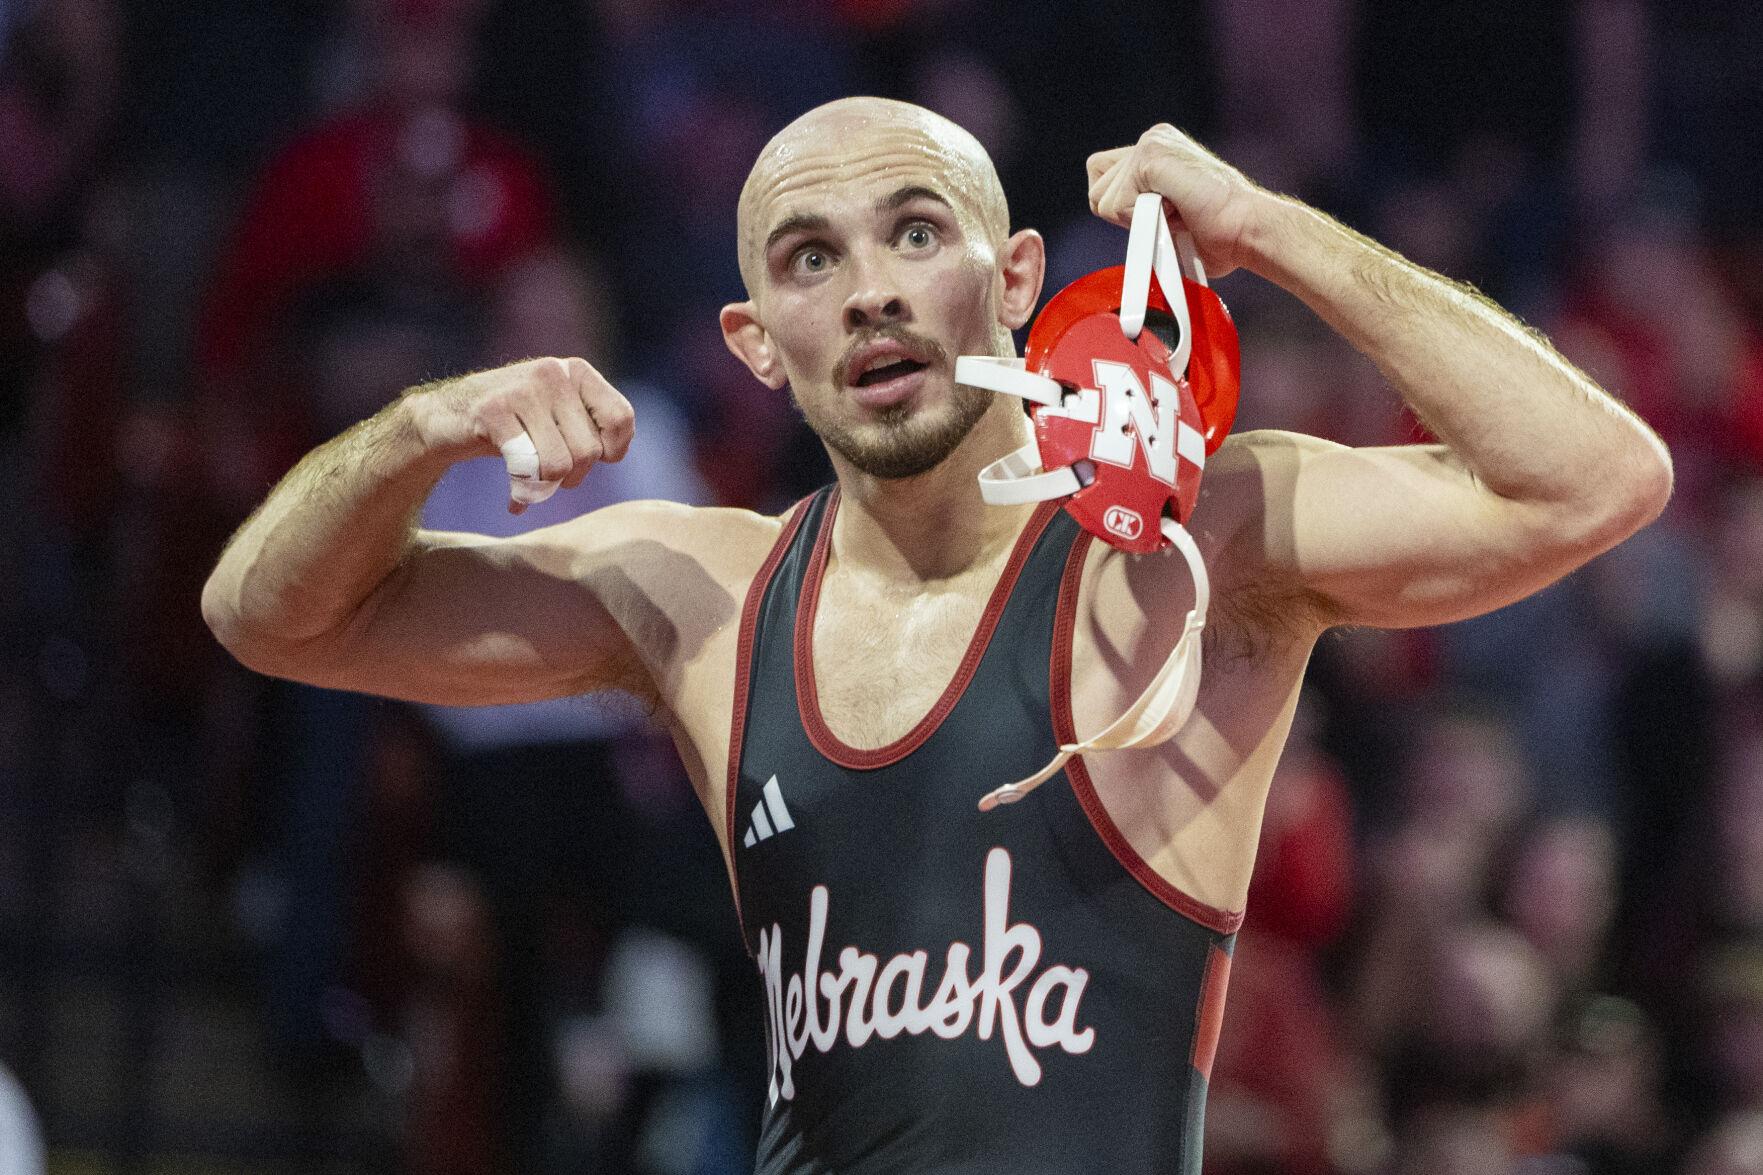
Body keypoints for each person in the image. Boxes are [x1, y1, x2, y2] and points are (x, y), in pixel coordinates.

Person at [201, 97, 1672, 1172]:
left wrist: (1275, 237)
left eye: (916, 231)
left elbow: (1595, 480)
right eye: (810, 258)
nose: (876, 290)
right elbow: (266, 616)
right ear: (756, 344)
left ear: (1018, 281)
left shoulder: (1182, 552)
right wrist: (427, 425)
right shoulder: (696, 591)